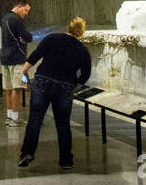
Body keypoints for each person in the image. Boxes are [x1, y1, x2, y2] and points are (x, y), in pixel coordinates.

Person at [17, 18, 92, 170]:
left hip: (43, 81)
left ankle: (27, 153)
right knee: (63, 124)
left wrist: (24, 72)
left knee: (35, 119)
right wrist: (74, 86)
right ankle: (65, 160)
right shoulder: (82, 50)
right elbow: (86, 74)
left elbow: (35, 55)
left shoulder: (52, 38)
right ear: (81, 32)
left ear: (68, 27)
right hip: (65, 87)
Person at [0, 0, 33, 125]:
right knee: (18, 88)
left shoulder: (5, 18)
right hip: (17, 58)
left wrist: (20, 38)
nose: (26, 13)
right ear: (19, 7)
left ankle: (9, 116)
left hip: (4, 57)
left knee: (8, 88)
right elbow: (28, 37)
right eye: (25, 10)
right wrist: (22, 39)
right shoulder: (16, 19)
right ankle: (15, 118)